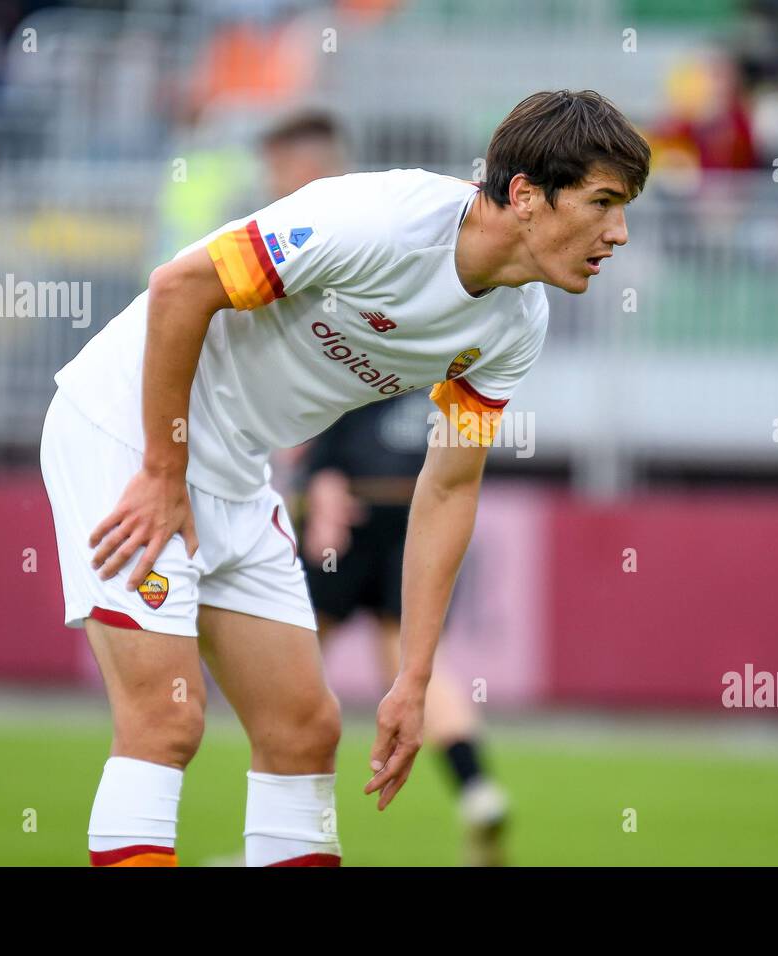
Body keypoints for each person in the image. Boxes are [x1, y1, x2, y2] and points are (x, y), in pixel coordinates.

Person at [39, 89, 650, 867]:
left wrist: (414, 678)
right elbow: (179, 286)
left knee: (304, 732)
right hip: (126, 434)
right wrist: (164, 469)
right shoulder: (380, 221)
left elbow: (449, 486)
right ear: (528, 195)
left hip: (235, 470)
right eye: (603, 203)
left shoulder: (516, 325)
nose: (618, 233)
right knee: (167, 722)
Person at [260, 109, 514, 866]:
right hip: (419, 491)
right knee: (406, 662)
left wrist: (319, 477)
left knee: (284, 670)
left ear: (308, 167)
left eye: (281, 168)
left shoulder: (349, 237)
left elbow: (344, 375)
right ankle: (478, 790)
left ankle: (278, 832)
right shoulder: (436, 252)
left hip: (356, 494)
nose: (274, 182)